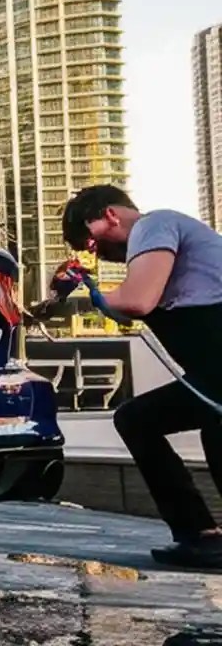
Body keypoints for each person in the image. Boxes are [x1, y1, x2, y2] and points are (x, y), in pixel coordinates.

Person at [59, 184, 222, 567]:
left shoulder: (155, 224)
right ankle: (201, 535)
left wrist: (92, 293)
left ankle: (201, 536)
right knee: (141, 419)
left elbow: (136, 300)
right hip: (213, 367)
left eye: (91, 241)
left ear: (111, 215)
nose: (96, 253)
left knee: (206, 428)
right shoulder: (153, 252)